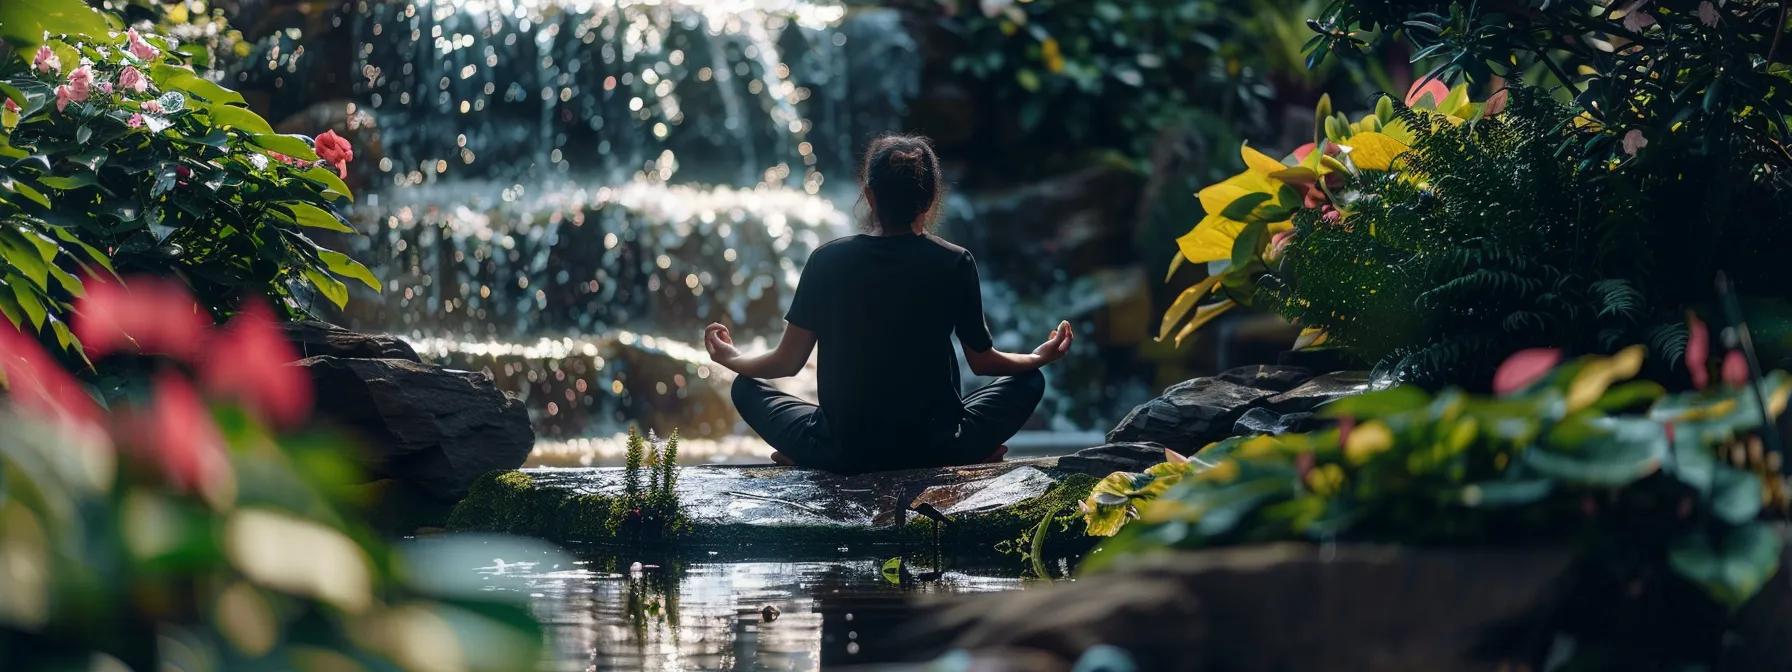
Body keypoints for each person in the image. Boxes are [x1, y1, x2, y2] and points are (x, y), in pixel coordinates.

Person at [702, 134, 1074, 473]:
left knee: (745, 388)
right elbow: (983, 361)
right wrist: (1038, 358)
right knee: (1028, 383)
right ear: (931, 197)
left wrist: (730, 358)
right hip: (937, 446)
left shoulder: (826, 260)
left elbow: (787, 362)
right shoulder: (954, 261)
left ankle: (810, 455)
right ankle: (968, 452)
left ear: (869, 193)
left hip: (842, 449)